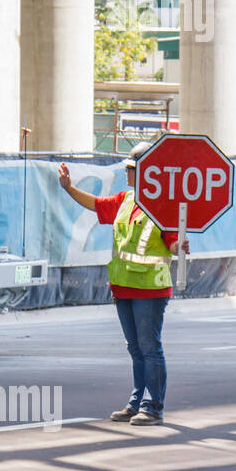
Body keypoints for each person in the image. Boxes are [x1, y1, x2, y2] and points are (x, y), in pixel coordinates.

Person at [58, 141, 189, 426]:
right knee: (136, 348)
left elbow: (172, 241)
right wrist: (68, 188)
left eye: (132, 168)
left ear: (148, 171)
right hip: (124, 286)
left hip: (150, 290)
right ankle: (137, 402)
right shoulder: (126, 200)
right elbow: (96, 205)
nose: (127, 173)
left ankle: (152, 406)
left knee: (149, 346)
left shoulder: (163, 205)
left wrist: (180, 245)